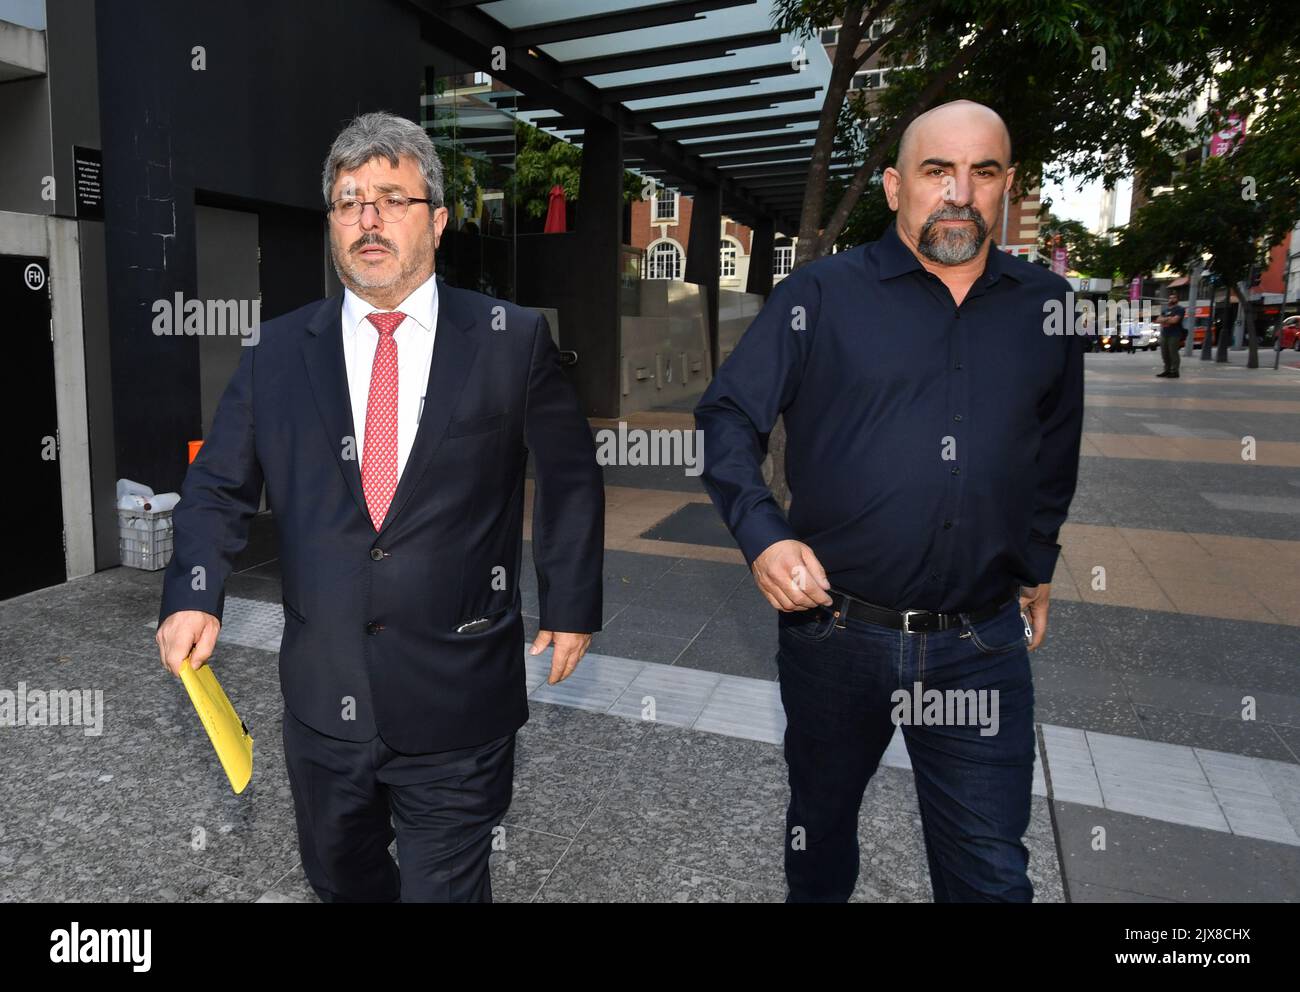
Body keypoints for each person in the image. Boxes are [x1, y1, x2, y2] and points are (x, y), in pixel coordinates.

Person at [155, 112, 604, 902]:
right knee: (341, 882)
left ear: (436, 220)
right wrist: (195, 591)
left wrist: (570, 605)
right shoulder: (277, 354)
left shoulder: (510, 338)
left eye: (391, 198)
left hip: (458, 694)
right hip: (323, 701)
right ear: (331, 224)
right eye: (348, 200)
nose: (368, 217)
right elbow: (219, 486)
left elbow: (568, 479)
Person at [695, 100, 1084, 903]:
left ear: (1007, 185)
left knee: (991, 873)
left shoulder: (1049, 306)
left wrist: (1036, 559)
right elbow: (727, 416)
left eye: (982, 173)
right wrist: (763, 534)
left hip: (980, 644)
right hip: (836, 636)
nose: (959, 192)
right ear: (894, 185)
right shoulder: (820, 295)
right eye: (937, 170)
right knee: (822, 840)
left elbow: (1053, 449)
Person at [1156, 289, 1186, 378]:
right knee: (1164, 353)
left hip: (1175, 334)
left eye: (1174, 298)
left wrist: (1165, 320)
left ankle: (1175, 371)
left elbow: (1175, 320)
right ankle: (1167, 370)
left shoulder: (1180, 309)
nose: (1171, 299)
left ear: (1177, 299)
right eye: (1170, 298)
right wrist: (1168, 319)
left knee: (1173, 353)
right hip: (1165, 334)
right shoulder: (1165, 309)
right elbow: (1158, 320)